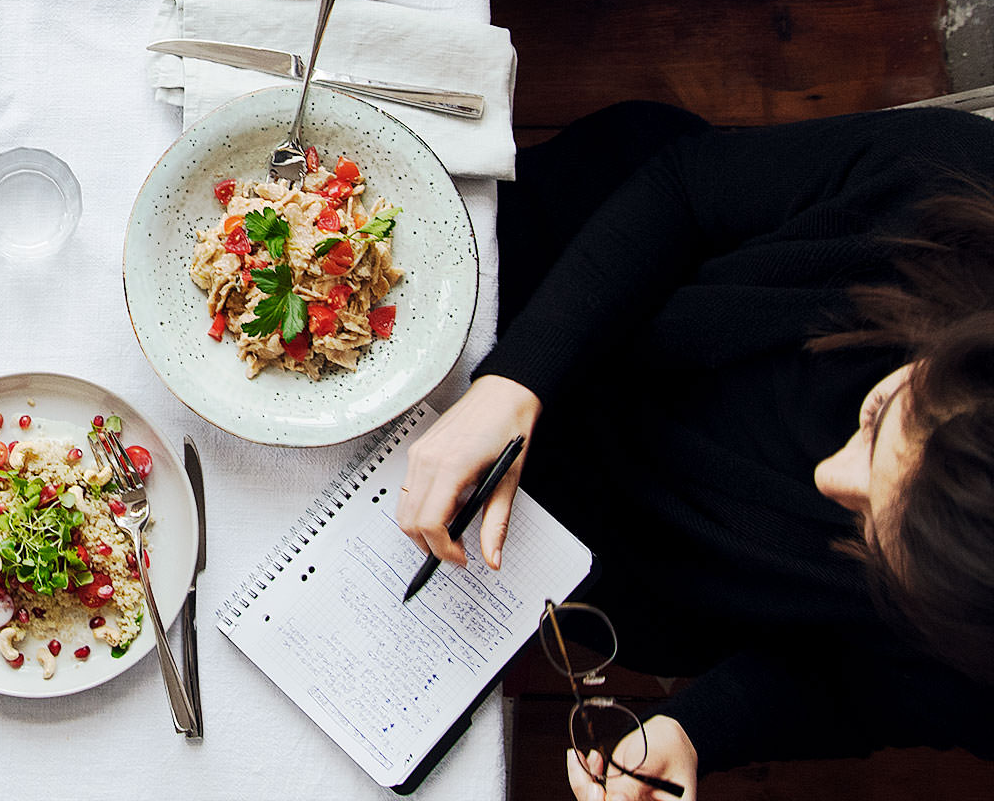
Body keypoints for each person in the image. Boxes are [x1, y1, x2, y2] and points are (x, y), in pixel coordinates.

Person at [393, 102, 994, 796]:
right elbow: (684, 188)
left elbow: (857, 690)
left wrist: (695, 729)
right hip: (566, 272)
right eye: (876, 415)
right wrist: (518, 376)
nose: (828, 478)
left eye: (869, 534)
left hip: (613, 565)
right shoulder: (959, 185)